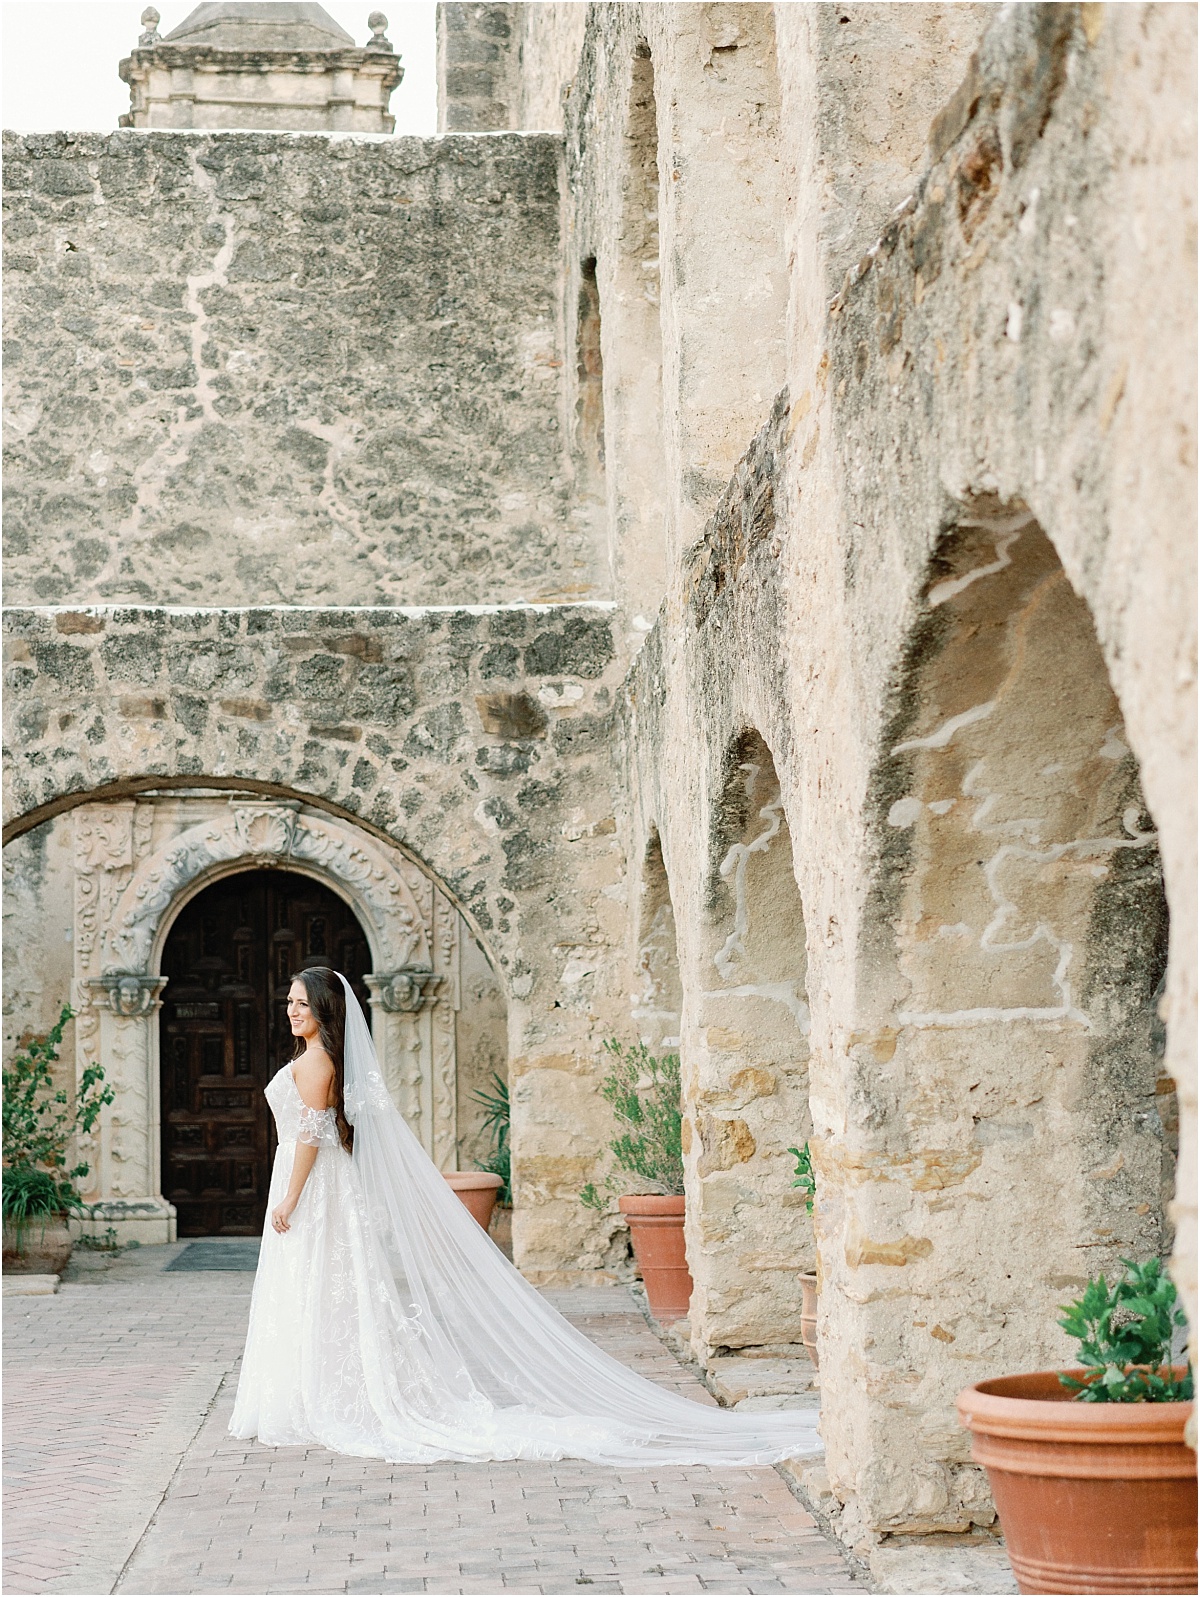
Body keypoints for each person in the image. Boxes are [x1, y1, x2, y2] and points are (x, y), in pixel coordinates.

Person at [229, 966, 822, 1466]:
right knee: (330, 1286)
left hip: (313, 1185)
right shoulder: (326, 1059)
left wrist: (288, 1200)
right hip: (330, 1184)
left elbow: (309, 1139)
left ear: (326, 1009)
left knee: (319, 1284)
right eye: (288, 1004)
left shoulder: (316, 1064)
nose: (291, 1012)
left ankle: (319, 1394)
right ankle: (323, 1388)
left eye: (302, 1005)